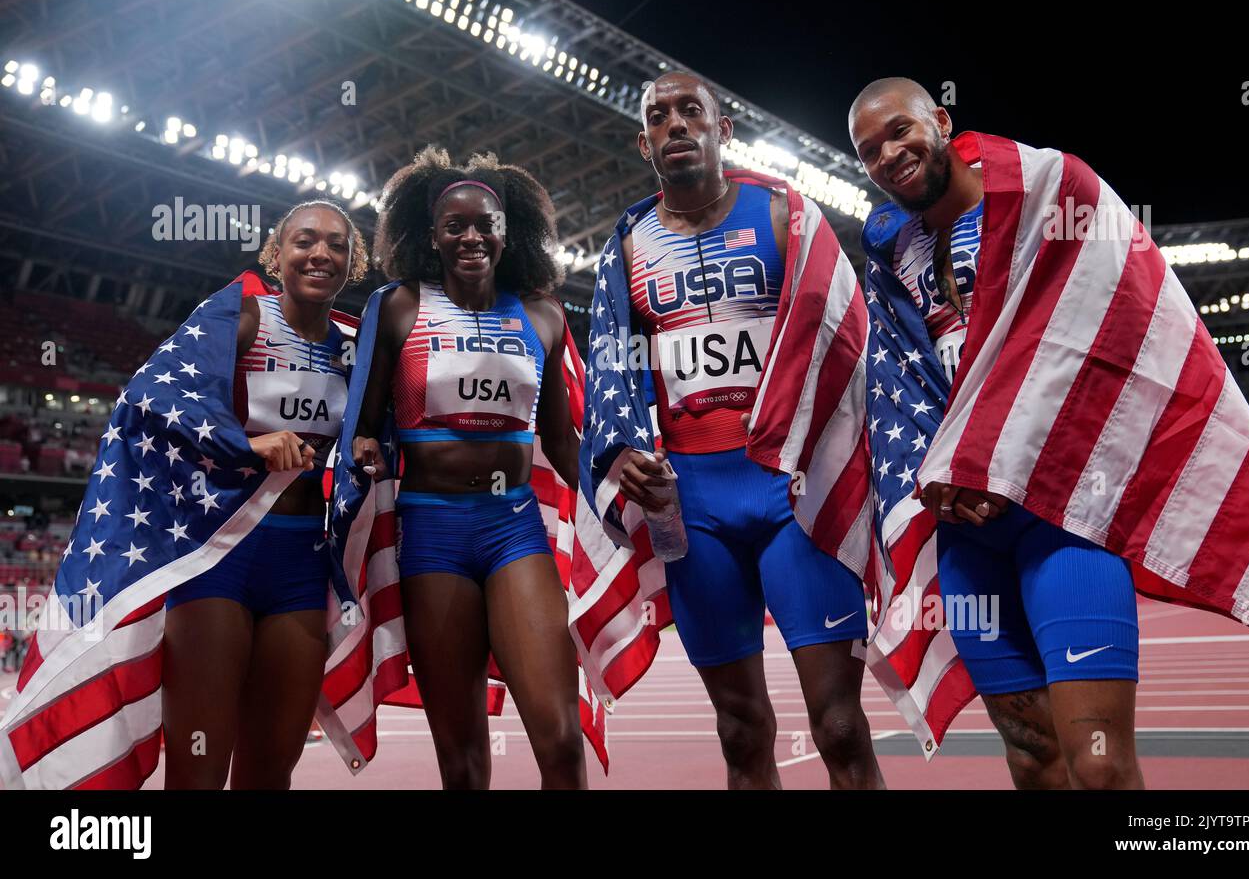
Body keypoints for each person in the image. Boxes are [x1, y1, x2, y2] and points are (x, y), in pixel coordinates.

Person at [848, 77, 1143, 788]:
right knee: (1032, 757)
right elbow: (898, 389)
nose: (889, 154)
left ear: (941, 121)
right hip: (969, 532)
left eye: (899, 131)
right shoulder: (894, 254)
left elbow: (1104, 337)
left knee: (1099, 767)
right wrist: (937, 482)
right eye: (868, 151)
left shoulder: (1043, 203)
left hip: (1062, 515)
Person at [595, 71, 884, 789]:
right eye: (659, 117)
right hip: (691, 503)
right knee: (740, 730)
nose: (676, 126)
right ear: (643, 143)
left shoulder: (786, 215)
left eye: (692, 112)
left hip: (793, 488)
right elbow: (611, 372)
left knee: (841, 727)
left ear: (724, 131)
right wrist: (623, 447)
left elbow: (848, 340)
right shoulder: (628, 246)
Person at [351, 147, 586, 789]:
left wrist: (627, 489)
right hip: (432, 535)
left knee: (562, 742)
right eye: (455, 225)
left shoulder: (542, 316)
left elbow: (564, 445)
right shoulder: (399, 307)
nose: (472, 236)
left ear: (508, 232)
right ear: (432, 236)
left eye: (485, 223)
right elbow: (363, 424)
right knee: (462, 761)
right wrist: (367, 448)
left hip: (512, 528)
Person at [161, 199, 368, 789]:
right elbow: (165, 403)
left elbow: (385, 418)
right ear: (276, 255)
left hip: (301, 563)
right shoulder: (244, 318)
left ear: (352, 265)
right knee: (197, 770)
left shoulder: (356, 345)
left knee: (270, 770)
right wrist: (246, 445)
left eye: (336, 244)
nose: (320, 253)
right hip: (219, 555)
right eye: (305, 241)